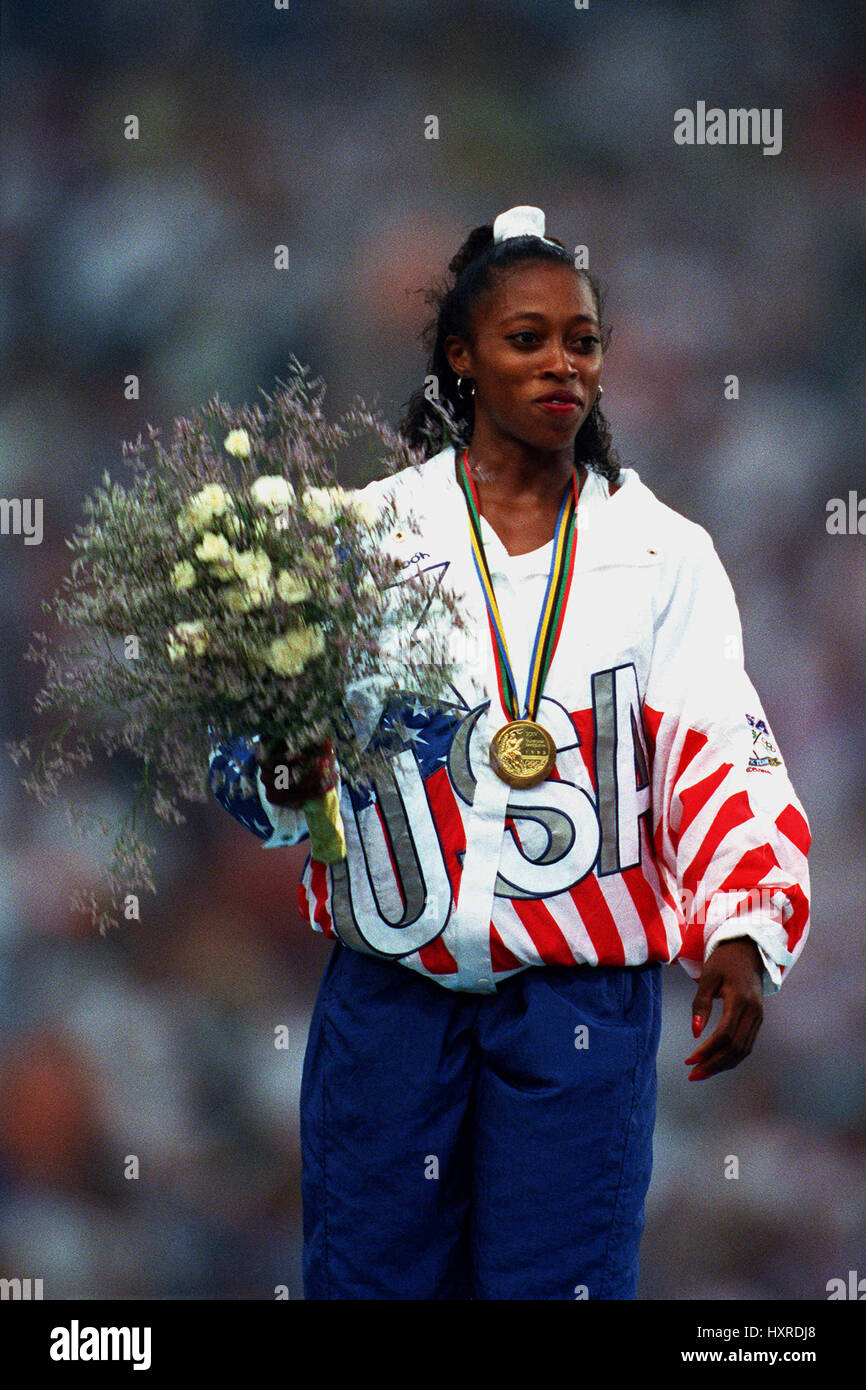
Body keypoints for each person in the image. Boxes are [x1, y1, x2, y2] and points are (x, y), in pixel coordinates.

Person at [210, 205, 811, 1300]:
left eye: (580, 341)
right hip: (394, 988)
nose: (558, 365)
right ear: (460, 356)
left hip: (578, 1003)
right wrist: (279, 773)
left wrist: (742, 924)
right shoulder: (358, 537)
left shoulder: (661, 553)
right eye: (524, 339)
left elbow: (718, 745)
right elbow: (258, 750)